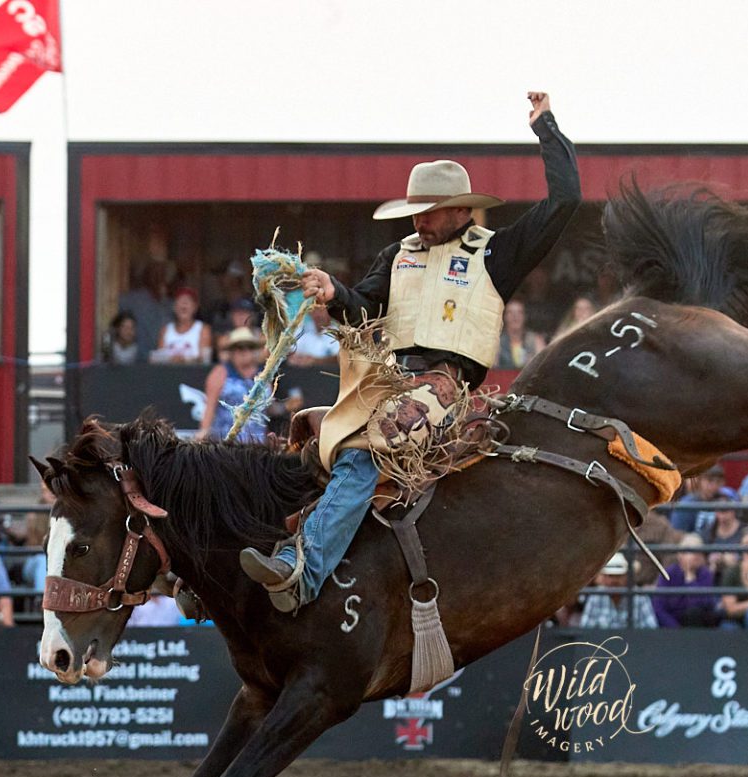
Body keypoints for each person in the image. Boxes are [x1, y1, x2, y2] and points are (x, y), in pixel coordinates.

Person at [240, 92, 580, 612]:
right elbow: (363, 308)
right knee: (311, 434)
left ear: (462, 211)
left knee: (368, 446)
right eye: (416, 211)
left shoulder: (496, 252)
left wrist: (545, 127)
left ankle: (303, 572)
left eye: (429, 212)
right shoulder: (397, 254)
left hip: (446, 385)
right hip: (388, 381)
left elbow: (564, 202)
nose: (418, 221)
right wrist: (334, 292)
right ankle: (234, 565)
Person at [198, 327, 268, 442]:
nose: (244, 352)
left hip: (257, 443)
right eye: (239, 348)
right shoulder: (221, 372)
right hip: (227, 443)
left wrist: (284, 406)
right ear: (231, 352)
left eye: (249, 347)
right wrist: (203, 431)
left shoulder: (264, 374)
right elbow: (209, 406)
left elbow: (267, 410)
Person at [572, 551, 655, 630]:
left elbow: (651, 630)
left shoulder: (639, 597)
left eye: (619, 576)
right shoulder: (595, 596)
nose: (614, 581)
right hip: (602, 644)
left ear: (627, 576)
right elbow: (586, 631)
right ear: (604, 578)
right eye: (611, 576)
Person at [652, 535, 721, 628]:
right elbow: (659, 608)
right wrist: (677, 630)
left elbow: (705, 604)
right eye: (693, 553)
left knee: (694, 613)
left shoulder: (705, 574)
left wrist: (690, 580)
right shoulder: (669, 573)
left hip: (699, 624)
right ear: (680, 555)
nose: (698, 556)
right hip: (673, 628)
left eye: (699, 553)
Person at [117, 263, 169, 357]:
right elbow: (111, 306)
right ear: (146, 278)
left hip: (164, 362)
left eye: (161, 276)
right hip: (138, 361)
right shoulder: (132, 299)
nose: (158, 280)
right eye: (154, 275)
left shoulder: (169, 304)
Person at [149, 287, 212, 364]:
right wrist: (173, 359)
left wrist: (184, 360)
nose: (184, 303)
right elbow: (157, 359)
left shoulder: (203, 329)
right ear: (174, 307)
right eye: (180, 300)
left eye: (188, 300)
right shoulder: (165, 330)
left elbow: (205, 359)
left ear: (195, 307)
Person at [668, 466, 736, 535]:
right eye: (710, 480)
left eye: (718, 482)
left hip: (722, 543)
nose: (714, 485)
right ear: (700, 481)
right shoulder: (686, 504)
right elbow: (678, 533)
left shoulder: (729, 501)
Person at [496, 299, 546, 369]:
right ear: (504, 316)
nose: (515, 316)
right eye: (510, 312)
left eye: (519, 312)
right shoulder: (497, 342)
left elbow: (543, 367)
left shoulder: (536, 340)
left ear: (525, 316)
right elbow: (492, 370)